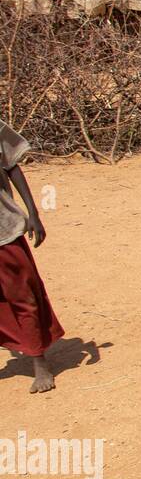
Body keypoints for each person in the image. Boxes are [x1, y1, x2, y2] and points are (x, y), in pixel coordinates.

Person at [0, 121, 62, 393]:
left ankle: (38, 359)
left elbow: (12, 165)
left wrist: (33, 213)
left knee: (21, 294)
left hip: (4, 228)